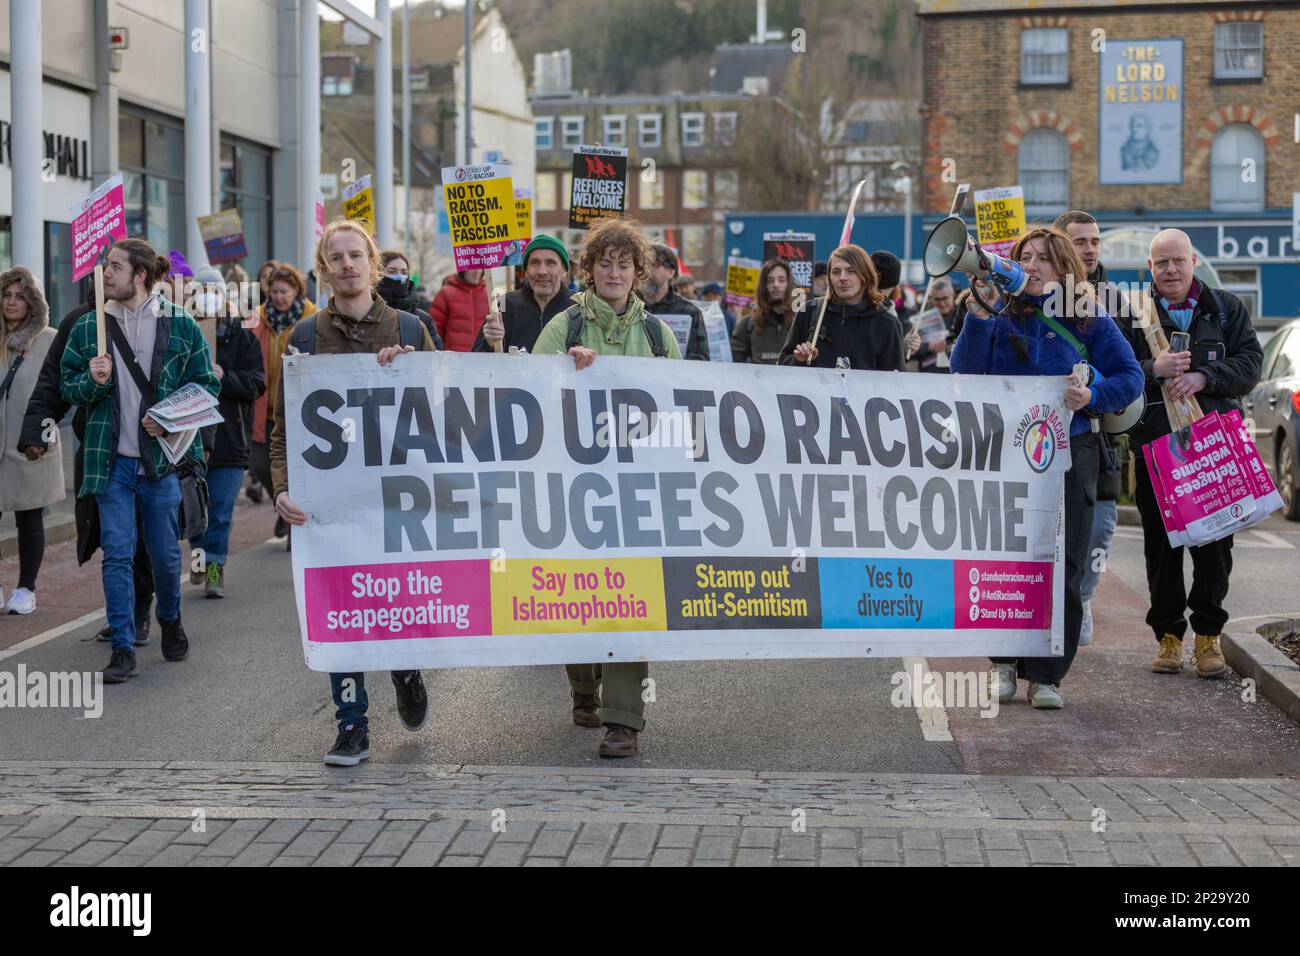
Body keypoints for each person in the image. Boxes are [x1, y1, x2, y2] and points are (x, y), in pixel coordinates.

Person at [952, 226, 1143, 709]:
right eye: (1024, 256)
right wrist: (977, 317)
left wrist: (1093, 396)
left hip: (1071, 453)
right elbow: (964, 375)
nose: (1031, 266)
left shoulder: (1087, 318)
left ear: (1064, 269)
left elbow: (1131, 378)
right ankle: (1003, 665)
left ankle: (1048, 675)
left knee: (1067, 562)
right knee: (1004, 561)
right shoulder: (997, 311)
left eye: (1042, 258)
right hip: (1005, 455)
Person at [271, 218, 436, 767]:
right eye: (335, 257)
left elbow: (445, 411)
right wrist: (282, 491)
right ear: (323, 269)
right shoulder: (302, 338)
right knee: (338, 613)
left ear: (372, 263)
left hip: (397, 500)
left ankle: (406, 668)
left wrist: (410, 372)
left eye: (354, 256)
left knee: (395, 602)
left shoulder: (410, 330)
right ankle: (351, 726)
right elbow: (282, 432)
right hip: (330, 507)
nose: (346, 265)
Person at [532, 217, 683, 758]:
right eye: (605, 263)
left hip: (639, 491)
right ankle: (583, 684)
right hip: (577, 489)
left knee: (632, 599)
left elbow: (681, 410)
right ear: (590, 271)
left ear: (639, 272)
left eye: (624, 263)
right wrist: (565, 376)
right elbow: (532, 405)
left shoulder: (658, 336)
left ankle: (624, 719)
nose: (614, 271)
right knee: (581, 595)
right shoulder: (563, 330)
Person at [60, 237, 220, 683]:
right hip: (109, 463)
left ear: (141, 275)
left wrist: (169, 420)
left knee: (168, 556)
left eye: (113, 266)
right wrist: (92, 381)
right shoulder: (88, 326)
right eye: (104, 266)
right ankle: (123, 647)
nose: (104, 273)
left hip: (161, 463)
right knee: (116, 554)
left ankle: (170, 618)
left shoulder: (181, 324)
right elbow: (67, 388)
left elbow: (207, 387)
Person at [1128, 228, 1263, 678]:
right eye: (1161, 262)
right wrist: (1153, 368)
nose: (1170, 270)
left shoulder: (1226, 309)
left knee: (1215, 546)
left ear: (1192, 263)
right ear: (1150, 267)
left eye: (1178, 261)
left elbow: (1250, 364)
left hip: (1215, 449)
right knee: (1161, 550)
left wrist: (1206, 377)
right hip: (1156, 449)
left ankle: (1208, 637)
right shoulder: (1132, 314)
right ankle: (1168, 638)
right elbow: (1117, 371)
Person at [1054, 210, 1129, 646]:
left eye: (1095, 241)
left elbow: (1132, 372)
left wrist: (1101, 388)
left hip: (1100, 436)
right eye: (1080, 241)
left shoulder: (1117, 301)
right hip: (1044, 436)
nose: (1089, 249)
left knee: (1099, 527)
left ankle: (1081, 599)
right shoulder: (1035, 296)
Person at [187, 267, 266, 598]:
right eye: (202, 292)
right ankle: (198, 557)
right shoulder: (182, 333)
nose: (208, 299)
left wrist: (226, 377)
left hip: (229, 440)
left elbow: (257, 382)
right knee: (192, 512)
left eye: (214, 292)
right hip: (189, 441)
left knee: (219, 510)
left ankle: (215, 568)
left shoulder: (243, 337)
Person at [0, 267, 64, 615]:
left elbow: (58, 392)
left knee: (29, 518)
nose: (11, 302)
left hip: (31, 445)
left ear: (33, 302)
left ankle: (26, 587)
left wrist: (42, 435)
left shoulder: (49, 340)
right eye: (6, 295)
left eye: (19, 296)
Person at [248, 263, 318, 543]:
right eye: (274, 291)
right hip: (264, 407)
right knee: (261, 465)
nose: (279, 297)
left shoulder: (311, 318)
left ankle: (292, 523)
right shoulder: (257, 318)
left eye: (284, 292)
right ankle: (281, 502)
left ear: (296, 291)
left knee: (297, 469)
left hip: (298, 407)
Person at [779, 244, 905, 372]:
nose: (842, 278)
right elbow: (783, 363)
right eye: (836, 271)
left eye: (851, 271)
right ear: (829, 278)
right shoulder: (809, 312)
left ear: (866, 276)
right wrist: (798, 360)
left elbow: (895, 384)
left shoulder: (887, 324)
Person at [473, 235, 574, 353]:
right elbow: (477, 363)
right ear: (525, 271)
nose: (542, 271)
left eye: (551, 263)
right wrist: (489, 343)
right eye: (535, 263)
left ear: (564, 270)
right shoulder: (505, 305)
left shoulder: (579, 307)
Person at [640, 243, 709, 360]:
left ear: (671, 272)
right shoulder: (626, 306)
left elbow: (700, 360)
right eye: (643, 265)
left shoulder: (690, 312)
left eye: (654, 265)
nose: (646, 271)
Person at [731, 258, 794, 365]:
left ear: (789, 284)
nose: (776, 285)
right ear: (763, 286)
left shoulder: (801, 323)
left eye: (781, 280)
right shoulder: (747, 324)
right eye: (770, 280)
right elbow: (731, 365)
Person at [377, 249, 442, 349]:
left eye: (404, 272)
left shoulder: (423, 319)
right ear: (378, 275)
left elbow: (436, 357)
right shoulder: (369, 314)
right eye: (392, 271)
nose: (399, 276)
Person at [430, 268, 488, 351]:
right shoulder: (445, 293)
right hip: (454, 359)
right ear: (462, 270)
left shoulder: (490, 294)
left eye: (480, 269)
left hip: (483, 358)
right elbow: (435, 330)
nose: (477, 272)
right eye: (472, 268)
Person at [915, 276, 960, 373]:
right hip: (929, 376)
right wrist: (928, 347)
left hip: (956, 374)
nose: (942, 303)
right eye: (937, 299)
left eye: (945, 298)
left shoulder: (963, 316)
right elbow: (907, 351)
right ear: (931, 299)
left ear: (953, 295)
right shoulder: (921, 318)